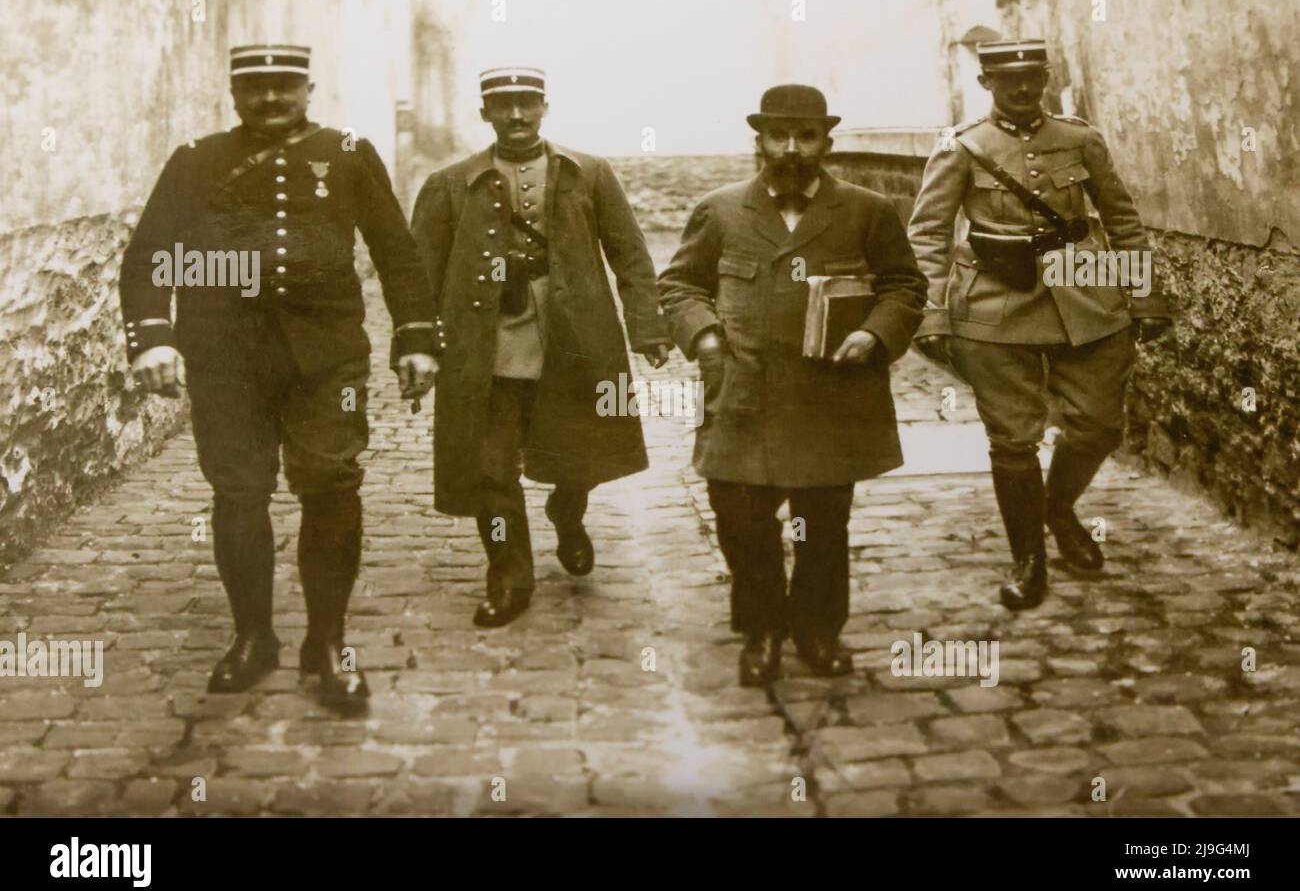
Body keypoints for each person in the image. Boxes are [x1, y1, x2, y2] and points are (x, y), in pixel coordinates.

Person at [118, 44, 440, 709]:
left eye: (284, 85)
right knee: (238, 492)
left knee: (331, 482)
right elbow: (151, 254)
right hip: (225, 357)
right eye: (255, 87)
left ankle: (326, 642)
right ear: (234, 94)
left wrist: (415, 335)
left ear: (308, 88)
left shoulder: (349, 153)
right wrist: (152, 336)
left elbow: (397, 252)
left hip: (326, 356)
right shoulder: (195, 159)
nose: (270, 98)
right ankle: (252, 637)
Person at [658, 85, 927, 686]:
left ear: (826, 142)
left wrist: (876, 336)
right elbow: (679, 287)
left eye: (806, 136)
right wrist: (704, 339)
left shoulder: (866, 210)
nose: (791, 148)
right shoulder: (721, 210)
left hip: (829, 396)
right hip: (742, 394)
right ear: (759, 140)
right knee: (739, 517)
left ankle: (816, 630)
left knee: (823, 522)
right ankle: (761, 629)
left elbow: (905, 287)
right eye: (778, 134)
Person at [908, 39, 1173, 610]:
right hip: (994, 304)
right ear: (987, 85)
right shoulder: (961, 148)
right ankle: (1028, 559)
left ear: (1047, 77)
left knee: (1100, 425)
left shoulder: (1080, 139)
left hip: (1087, 292)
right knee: (1012, 438)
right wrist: (931, 312)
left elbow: (1123, 220)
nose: (1024, 89)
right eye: (1009, 80)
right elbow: (927, 235)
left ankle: (1058, 508)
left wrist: (1145, 296)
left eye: (1033, 77)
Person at [410, 67, 671, 628]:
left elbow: (630, 254)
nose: (516, 115)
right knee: (490, 469)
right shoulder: (449, 185)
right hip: (487, 347)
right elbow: (418, 279)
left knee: (577, 457)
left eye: (527, 102)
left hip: (572, 341)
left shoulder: (590, 174)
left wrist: (647, 327)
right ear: (485, 113)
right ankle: (508, 575)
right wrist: (419, 348)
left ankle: (567, 512)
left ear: (545, 106)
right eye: (502, 105)